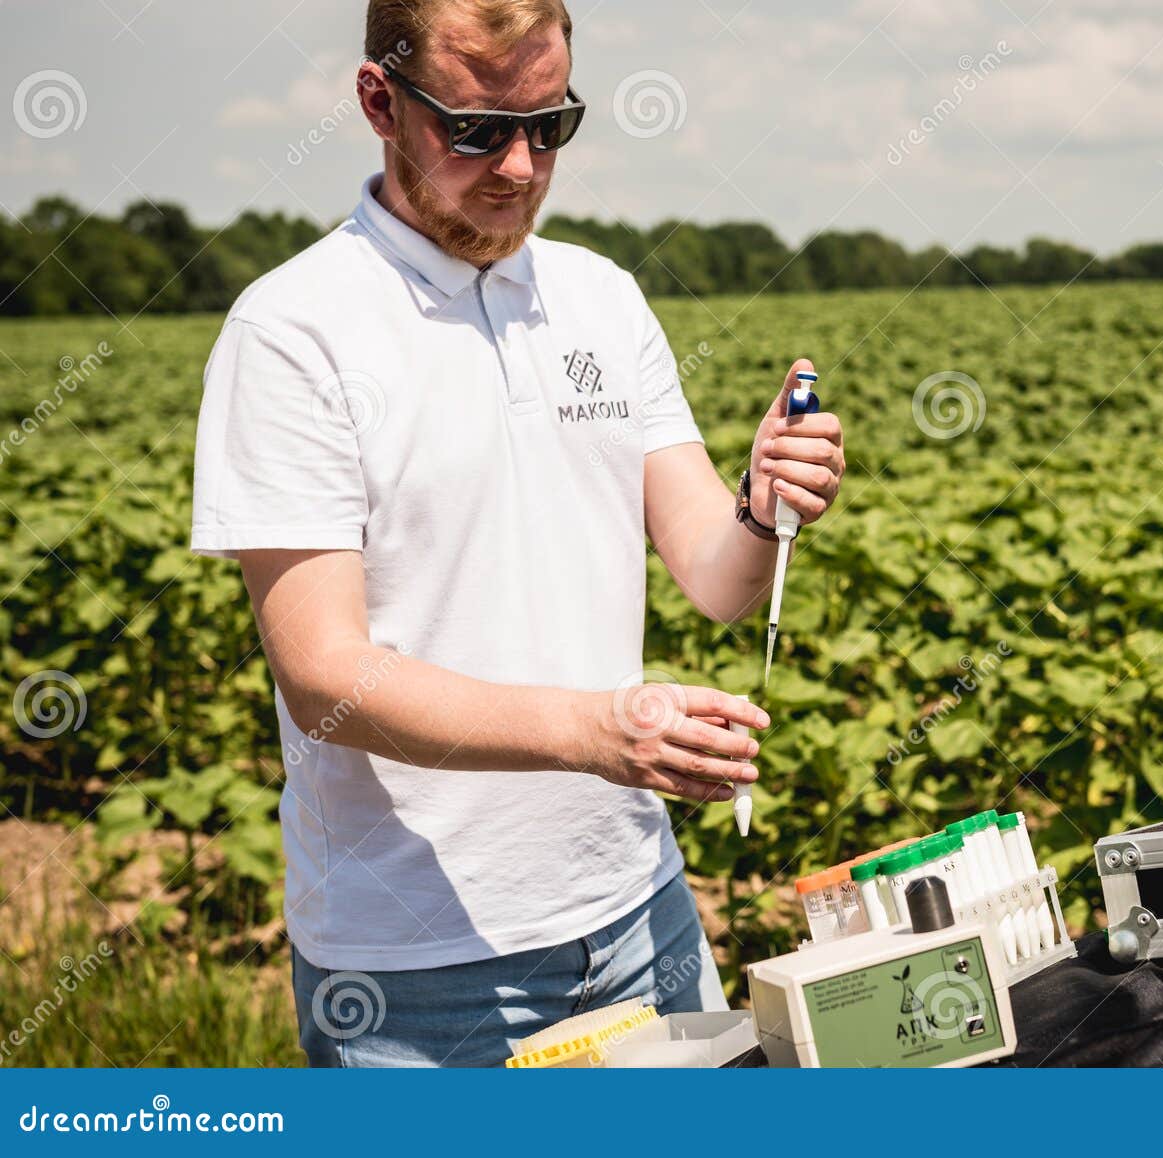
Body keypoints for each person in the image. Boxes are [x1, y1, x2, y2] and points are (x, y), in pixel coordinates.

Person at [188, 0, 845, 1066]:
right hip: (417, 972)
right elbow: (324, 676)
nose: (522, 167)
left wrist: (764, 504)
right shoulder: (292, 331)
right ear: (378, 101)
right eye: (477, 128)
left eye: (551, 124)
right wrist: (595, 735)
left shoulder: (600, 296)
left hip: (643, 913)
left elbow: (717, 578)